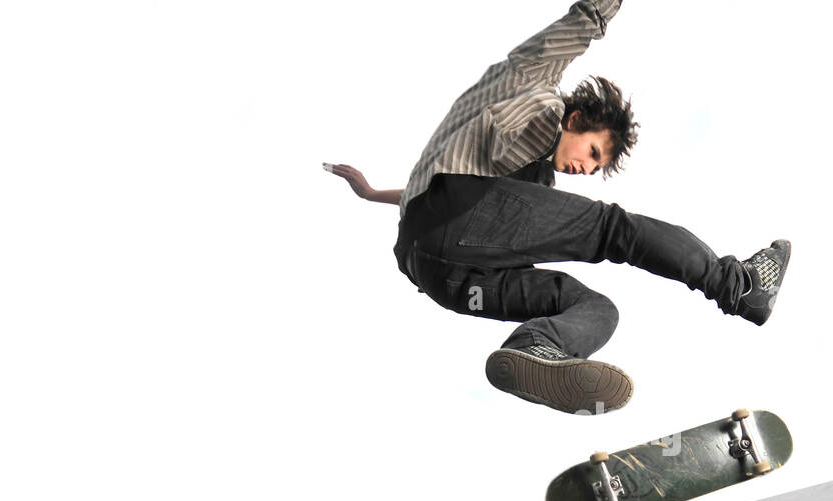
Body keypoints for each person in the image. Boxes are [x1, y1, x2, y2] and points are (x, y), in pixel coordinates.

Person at [325, 0, 790, 414]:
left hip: (442, 273)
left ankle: (538, 346)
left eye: (597, 165)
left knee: (594, 308)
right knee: (613, 229)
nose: (587, 169)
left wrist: (372, 195)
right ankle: (739, 284)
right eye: (592, 152)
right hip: (448, 222)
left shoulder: (531, 184)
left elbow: (426, 205)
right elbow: (585, 19)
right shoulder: (530, 81)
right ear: (577, 120)